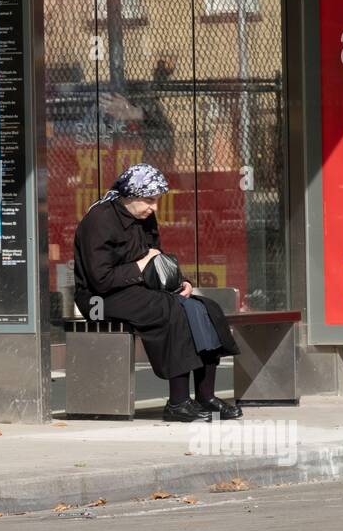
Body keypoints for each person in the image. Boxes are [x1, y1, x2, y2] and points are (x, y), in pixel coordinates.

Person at [73, 163, 242, 422]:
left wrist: (180, 282)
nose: (154, 208)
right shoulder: (99, 220)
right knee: (171, 310)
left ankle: (205, 396)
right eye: (150, 200)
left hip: (136, 289)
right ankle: (178, 402)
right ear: (130, 195)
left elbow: (157, 259)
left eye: (156, 201)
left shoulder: (144, 218)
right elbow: (100, 279)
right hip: (99, 298)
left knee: (205, 308)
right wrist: (141, 266)